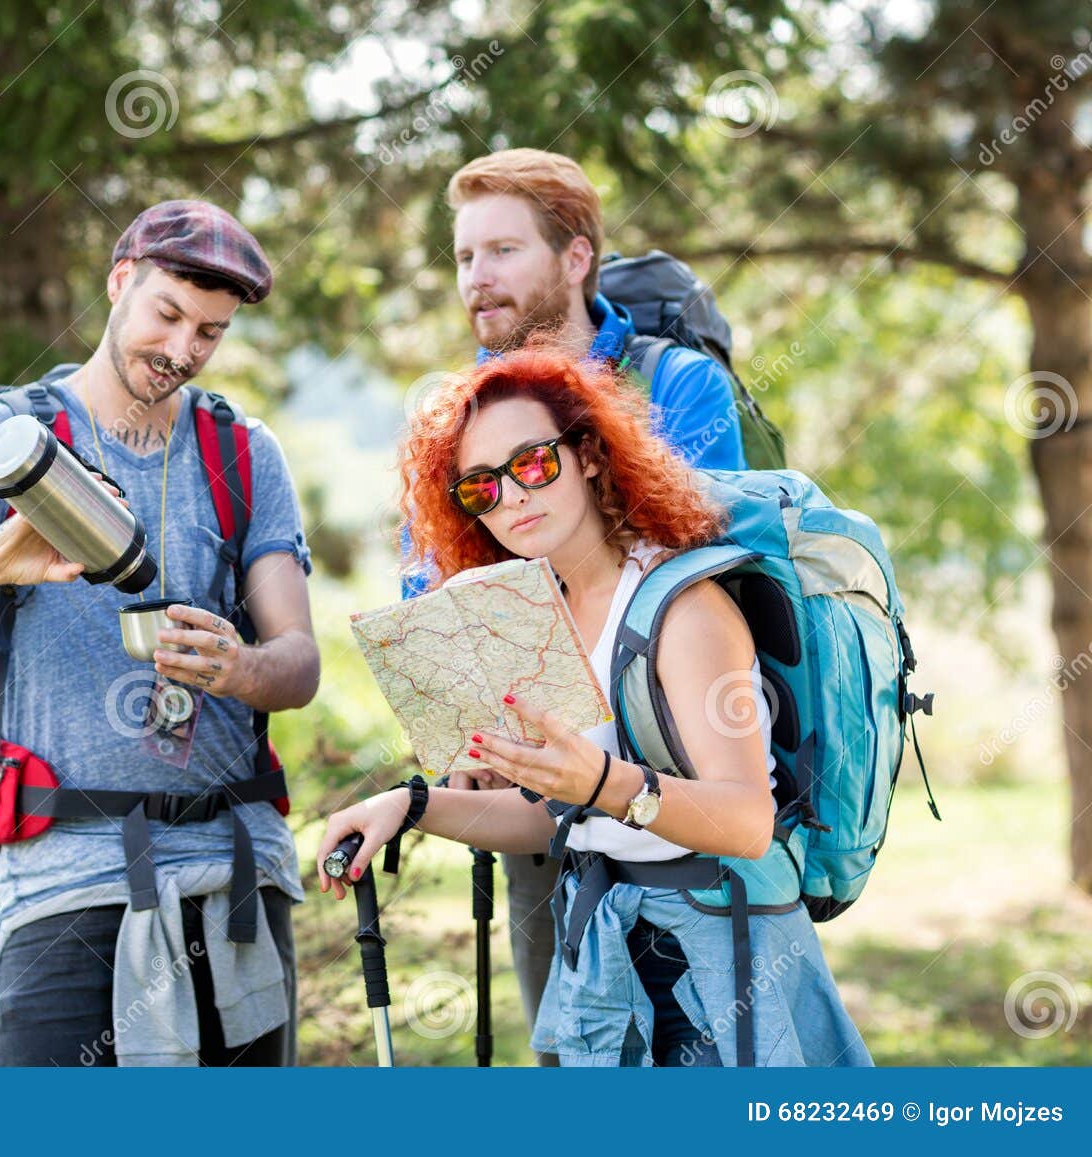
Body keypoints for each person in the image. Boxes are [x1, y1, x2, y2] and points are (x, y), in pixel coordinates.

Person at [0, 200, 318, 1066]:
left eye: (209, 332)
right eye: (167, 315)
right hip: (68, 888)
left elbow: (299, 663)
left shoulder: (245, 452)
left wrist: (239, 666)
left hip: (234, 881)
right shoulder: (7, 440)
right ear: (119, 280)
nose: (181, 350)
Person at [329, 344, 869, 1067]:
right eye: (479, 487)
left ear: (586, 454)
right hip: (607, 960)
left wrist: (602, 784)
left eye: (531, 463)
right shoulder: (538, 613)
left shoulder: (685, 611)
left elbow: (746, 819)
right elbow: (556, 816)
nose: (512, 496)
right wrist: (412, 805)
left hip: (720, 968)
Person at [405, 148, 753, 1061]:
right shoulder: (465, 416)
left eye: (503, 250)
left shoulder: (675, 383)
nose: (477, 278)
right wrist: (460, 740)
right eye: (464, 257)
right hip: (534, 789)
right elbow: (433, 582)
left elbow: (698, 570)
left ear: (576, 256)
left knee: (707, 1042)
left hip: (678, 795)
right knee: (572, 1047)